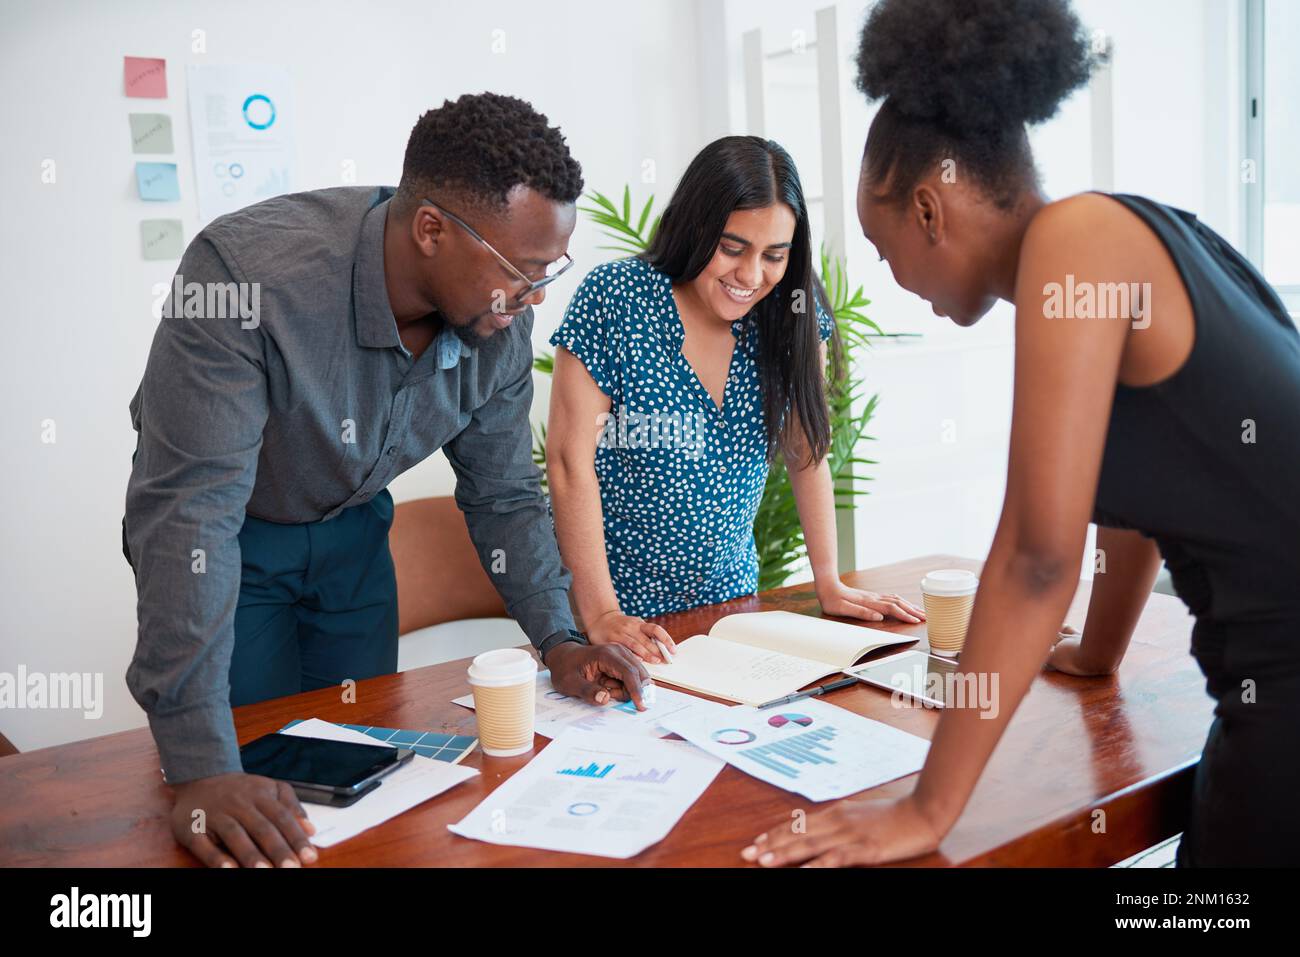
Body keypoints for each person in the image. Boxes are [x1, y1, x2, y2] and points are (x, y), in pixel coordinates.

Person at [743, 0, 1300, 867]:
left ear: (929, 208)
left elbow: (1038, 558)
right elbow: (1134, 491)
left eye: (883, 248)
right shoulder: (1133, 233)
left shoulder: (1076, 244)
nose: (892, 279)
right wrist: (1096, 651)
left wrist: (927, 808)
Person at [123, 93, 650, 869]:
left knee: (357, 784)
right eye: (520, 270)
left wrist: (561, 638)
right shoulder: (243, 277)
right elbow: (189, 522)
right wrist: (202, 772)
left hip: (355, 546)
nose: (534, 295)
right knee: (243, 797)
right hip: (234, 548)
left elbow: (504, 494)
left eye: (549, 270)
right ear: (432, 230)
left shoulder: (499, 318)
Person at [546, 136, 925, 664]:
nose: (750, 277)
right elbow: (568, 464)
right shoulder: (617, 298)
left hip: (730, 617)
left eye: (774, 256)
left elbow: (805, 447)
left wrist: (829, 582)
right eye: (731, 248)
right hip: (613, 619)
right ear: (694, 225)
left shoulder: (792, 307)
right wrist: (603, 616)